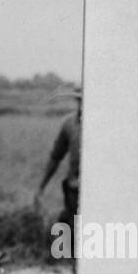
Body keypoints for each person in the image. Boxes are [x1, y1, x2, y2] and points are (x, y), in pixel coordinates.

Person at [33, 85, 82, 228]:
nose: (83, 105)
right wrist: (41, 186)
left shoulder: (104, 126)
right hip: (73, 189)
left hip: (97, 192)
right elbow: (56, 157)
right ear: (76, 101)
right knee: (66, 228)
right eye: (80, 101)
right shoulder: (69, 124)